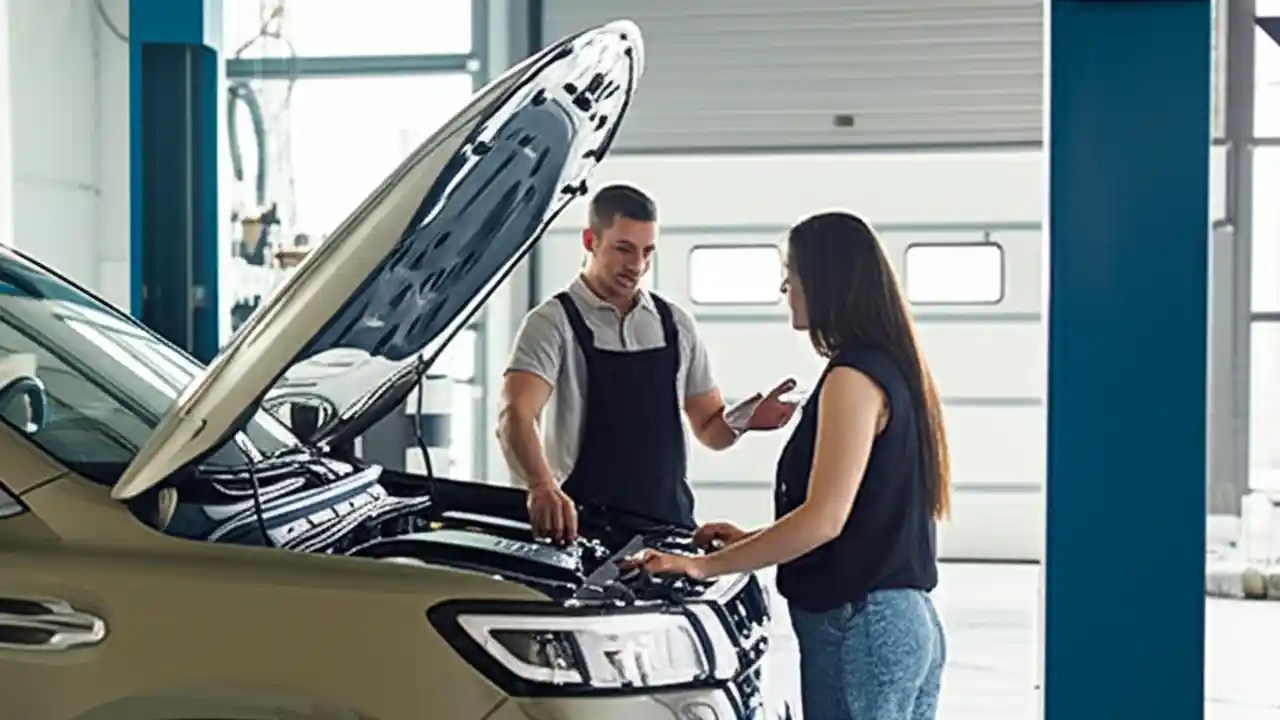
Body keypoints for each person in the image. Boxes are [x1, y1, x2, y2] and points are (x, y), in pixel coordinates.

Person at [627, 211, 950, 719]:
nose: (785, 287)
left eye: (792, 274)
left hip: (862, 628)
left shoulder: (853, 378)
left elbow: (824, 520)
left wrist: (702, 565)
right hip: (897, 624)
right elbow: (856, 516)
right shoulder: (891, 368)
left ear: (827, 283)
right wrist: (751, 541)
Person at [496, 183, 797, 542]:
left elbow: (711, 428)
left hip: (668, 532)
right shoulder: (551, 323)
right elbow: (515, 416)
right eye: (623, 249)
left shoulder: (675, 324)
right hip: (583, 533)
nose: (637, 265)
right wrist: (541, 486)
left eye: (647, 251)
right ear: (590, 240)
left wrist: (748, 417)